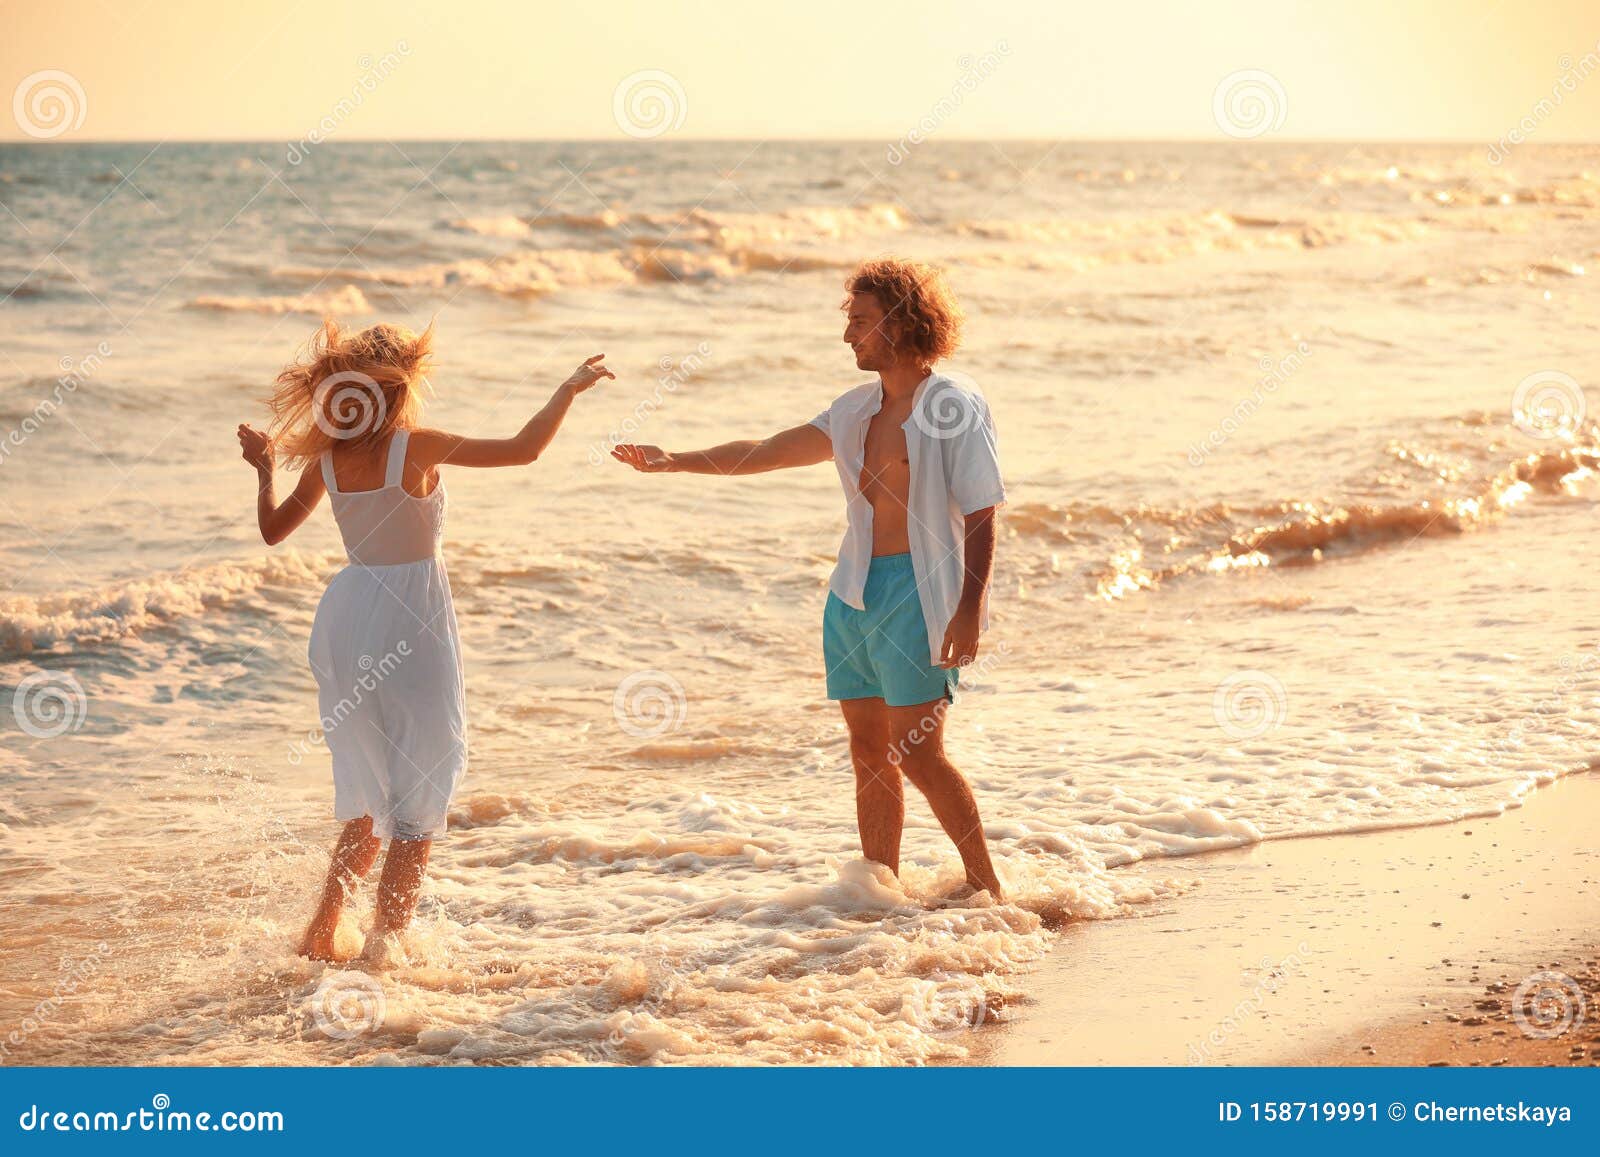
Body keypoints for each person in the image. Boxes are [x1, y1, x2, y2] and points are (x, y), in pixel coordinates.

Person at [613, 258, 1006, 898]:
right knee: (869, 755)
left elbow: (985, 509)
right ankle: (882, 894)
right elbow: (768, 451)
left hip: (920, 593)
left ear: (901, 325)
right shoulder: (854, 410)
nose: (848, 336)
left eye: (859, 322)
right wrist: (674, 462)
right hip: (852, 593)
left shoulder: (954, 405)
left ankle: (989, 890)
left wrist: (969, 608)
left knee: (920, 755)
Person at [237, 319, 613, 961]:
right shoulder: (416, 447)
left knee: (369, 790)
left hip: (348, 616)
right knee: (419, 784)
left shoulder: (327, 461)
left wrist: (266, 469)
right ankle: (385, 946)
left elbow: (274, 532)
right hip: (410, 619)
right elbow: (524, 449)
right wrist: (568, 389)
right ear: (397, 390)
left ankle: (320, 933)